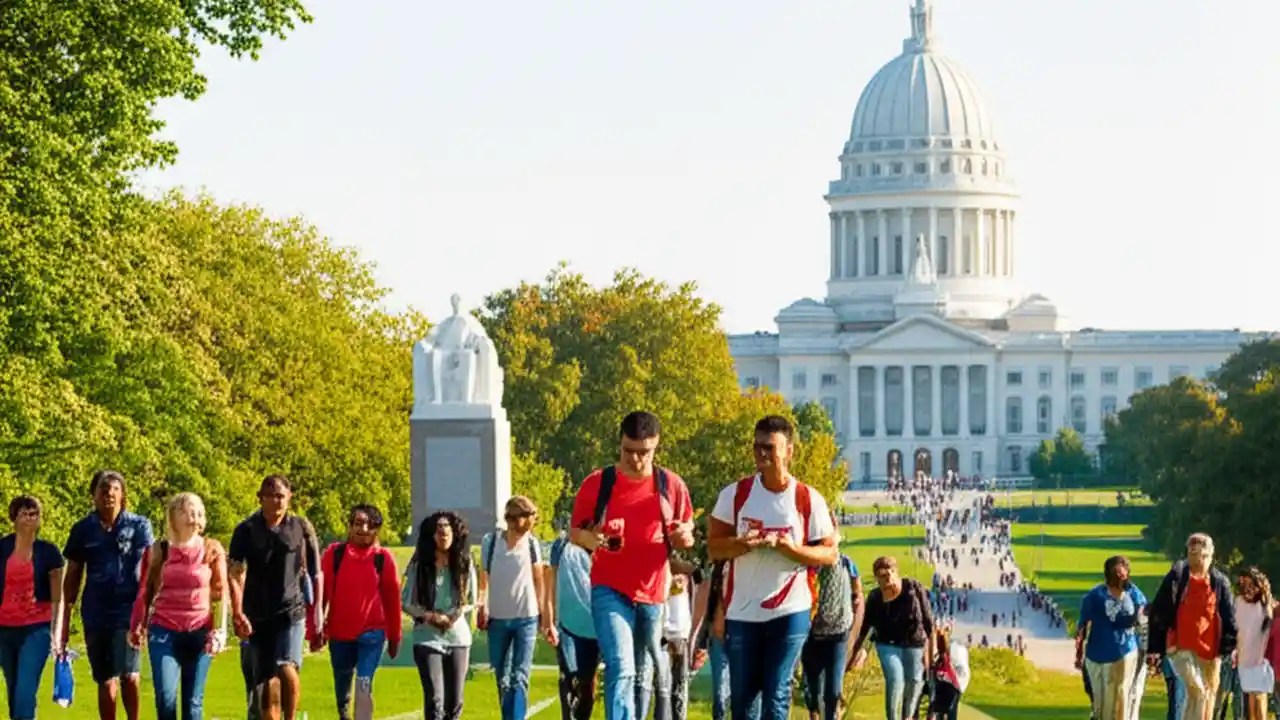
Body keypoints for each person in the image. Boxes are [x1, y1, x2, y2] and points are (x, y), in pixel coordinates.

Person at [709, 415, 837, 720]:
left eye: (769, 447)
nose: (761, 454)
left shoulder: (807, 499)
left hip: (791, 610)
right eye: (756, 447)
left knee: (777, 691)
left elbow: (830, 554)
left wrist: (792, 550)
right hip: (742, 611)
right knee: (743, 698)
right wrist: (744, 544)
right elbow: (714, 548)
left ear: (789, 451)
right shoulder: (735, 495)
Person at [569, 411, 695, 720]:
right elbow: (575, 533)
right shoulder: (599, 483)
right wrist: (591, 539)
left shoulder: (671, 485)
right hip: (609, 588)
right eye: (629, 451)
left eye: (644, 453)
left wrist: (683, 536)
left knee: (643, 669)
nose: (636, 460)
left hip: (652, 593)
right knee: (621, 665)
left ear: (656, 447)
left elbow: (688, 535)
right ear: (620, 444)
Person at [62, 470, 154, 720]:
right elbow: (73, 574)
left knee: (130, 676)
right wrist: (64, 619)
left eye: (114, 488)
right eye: (103, 488)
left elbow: (149, 570)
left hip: (129, 611)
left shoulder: (139, 526)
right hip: (96, 613)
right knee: (105, 679)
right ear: (93, 495)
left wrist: (145, 613)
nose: (108, 493)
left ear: (123, 495)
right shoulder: (82, 529)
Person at [228, 475, 321, 720]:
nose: (276, 501)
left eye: (281, 495)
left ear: (289, 497)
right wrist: (237, 612)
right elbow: (234, 574)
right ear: (260, 498)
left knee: (286, 666)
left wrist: (318, 615)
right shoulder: (246, 530)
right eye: (270, 496)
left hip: (291, 610)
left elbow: (316, 573)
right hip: (257, 614)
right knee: (266, 679)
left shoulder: (301, 527)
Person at [127, 493, 227, 720]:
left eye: (198, 509)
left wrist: (219, 631)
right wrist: (136, 625)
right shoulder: (158, 551)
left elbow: (221, 594)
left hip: (200, 632)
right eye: (186, 509)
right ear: (173, 517)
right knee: (166, 700)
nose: (194, 513)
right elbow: (145, 590)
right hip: (164, 631)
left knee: (193, 705)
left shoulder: (212, 549)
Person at [319, 504, 401, 720]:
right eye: (358, 523)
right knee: (343, 683)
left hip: (372, 634)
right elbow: (322, 595)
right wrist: (317, 628)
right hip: (340, 634)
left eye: (370, 525)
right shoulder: (334, 554)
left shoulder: (383, 558)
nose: (363, 529)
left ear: (377, 530)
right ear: (350, 526)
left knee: (364, 682)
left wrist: (394, 637)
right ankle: (343, 713)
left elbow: (393, 601)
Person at [1147, 533, 1237, 720]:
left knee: (1208, 695)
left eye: (1203, 555)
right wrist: (1155, 648)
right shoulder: (1177, 577)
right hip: (1180, 646)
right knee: (1197, 691)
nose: (1199, 559)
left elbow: (1229, 617)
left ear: (1211, 556)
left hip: (1211, 649)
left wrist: (1230, 646)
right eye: (1194, 553)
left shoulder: (1219, 582)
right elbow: (1159, 611)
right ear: (1188, 554)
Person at [479, 495, 550, 720]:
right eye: (527, 518)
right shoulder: (490, 543)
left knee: (519, 676)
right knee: (502, 678)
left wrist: (544, 617)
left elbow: (539, 580)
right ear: (512, 519)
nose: (530, 524)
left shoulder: (531, 544)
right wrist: (482, 604)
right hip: (497, 620)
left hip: (526, 618)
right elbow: (484, 580)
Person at [403, 511, 476, 720]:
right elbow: (406, 601)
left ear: (455, 535)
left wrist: (452, 617)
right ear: (430, 536)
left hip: (457, 638)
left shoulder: (464, 564)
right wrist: (430, 616)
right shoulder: (419, 565)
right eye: (438, 529)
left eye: (447, 529)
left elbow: (469, 599)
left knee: (454, 702)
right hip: (427, 636)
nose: (442, 533)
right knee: (435, 699)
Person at [0, 496, 65, 720]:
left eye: (34, 514)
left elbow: (59, 598)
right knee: (14, 690)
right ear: (14, 518)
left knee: (25, 692)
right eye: (24, 513)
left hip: (36, 628)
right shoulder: (2, 548)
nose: (30, 518)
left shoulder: (49, 552)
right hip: (4, 629)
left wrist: (57, 635)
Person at [851, 556, 935, 720]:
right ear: (877, 579)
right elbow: (864, 629)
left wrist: (931, 655)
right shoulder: (875, 598)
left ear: (897, 572)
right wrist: (854, 654)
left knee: (915, 681)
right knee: (895, 679)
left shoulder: (913, 588)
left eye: (892, 573)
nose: (889, 578)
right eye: (883, 575)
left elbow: (928, 623)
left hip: (915, 643)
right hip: (887, 644)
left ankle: (908, 716)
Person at [801, 531, 863, 720]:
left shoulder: (844, 562)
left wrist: (855, 598)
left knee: (833, 690)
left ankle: (831, 714)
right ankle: (814, 711)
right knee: (812, 687)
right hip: (811, 634)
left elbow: (856, 582)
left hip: (837, 633)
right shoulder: (805, 567)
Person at [1074, 555, 1146, 720]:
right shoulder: (1095, 596)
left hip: (1125, 652)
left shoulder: (1134, 594)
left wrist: (1147, 651)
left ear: (1127, 574)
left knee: (1121, 698)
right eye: (1115, 574)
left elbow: (1143, 622)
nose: (1119, 578)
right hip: (1096, 654)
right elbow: (1082, 626)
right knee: (1099, 701)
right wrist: (1078, 654)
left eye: (1122, 573)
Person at [547, 528, 597, 720]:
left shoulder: (604, 545)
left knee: (586, 683)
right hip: (565, 625)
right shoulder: (561, 545)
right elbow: (550, 582)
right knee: (568, 677)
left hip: (594, 627)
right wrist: (549, 619)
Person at [1232, 568, 1273, 720]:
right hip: (1244, 659)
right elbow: (1236, 630)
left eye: (1251, 584)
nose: (1247, 588)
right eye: (1244, 584)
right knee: (1250, 698)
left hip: (1260, 660)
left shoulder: (1264, 606)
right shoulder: (1239, 602)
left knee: (1259, 697)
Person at [662, 558, 696, 720]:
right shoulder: (661, 577)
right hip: (663, 637)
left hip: (682, 636)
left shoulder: (687, 580)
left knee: (680, 687)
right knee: (664, 687)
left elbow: (691, 568)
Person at [927, 627, 970, 720]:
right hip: (955, 684)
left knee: (945, 709)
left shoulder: (948, 657)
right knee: (950, 710)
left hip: (952, 684)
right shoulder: (956, 651)